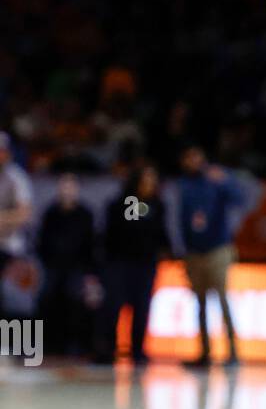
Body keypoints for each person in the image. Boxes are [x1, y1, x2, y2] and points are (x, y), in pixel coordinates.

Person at [94, 164, 171, 366]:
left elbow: (161, 234)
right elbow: (120, 231)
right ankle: (108, 348)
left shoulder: (158, 205)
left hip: (145, 265)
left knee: (142, 307)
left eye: (152, 179)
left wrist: (166, 250)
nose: (149, 183)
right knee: (114, 306)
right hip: (120, 263)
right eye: (146, 178)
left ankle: (138, 350)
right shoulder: (123, 203)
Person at [177, 144, 243, 367]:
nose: (192, 161)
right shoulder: (184, 184)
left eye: (195, 156)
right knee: (200, 303)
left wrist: (225, 182)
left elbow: (240, 199)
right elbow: (183, 219)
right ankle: (204, 352)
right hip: (195, 252)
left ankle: (233, 353)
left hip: (217, 249)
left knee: (222, 300)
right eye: (188, 157)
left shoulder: (217, 178)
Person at [35, 174, 99, 357]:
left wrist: (90, 271)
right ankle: (48, 345)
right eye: (64, 187)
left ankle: (75, 345)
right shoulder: (51, 212)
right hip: (53, 266)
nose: (67, 191)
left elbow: (89, 244)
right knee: (46, 297)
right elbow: (42, 242)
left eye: (70, 187)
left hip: (76, 267)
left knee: (75, 299)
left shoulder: (85, 214)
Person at [0, 131, 33, 281]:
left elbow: (25, 214)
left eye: (2, 151)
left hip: (11, 246)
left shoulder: (17, 177)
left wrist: (3, 220)